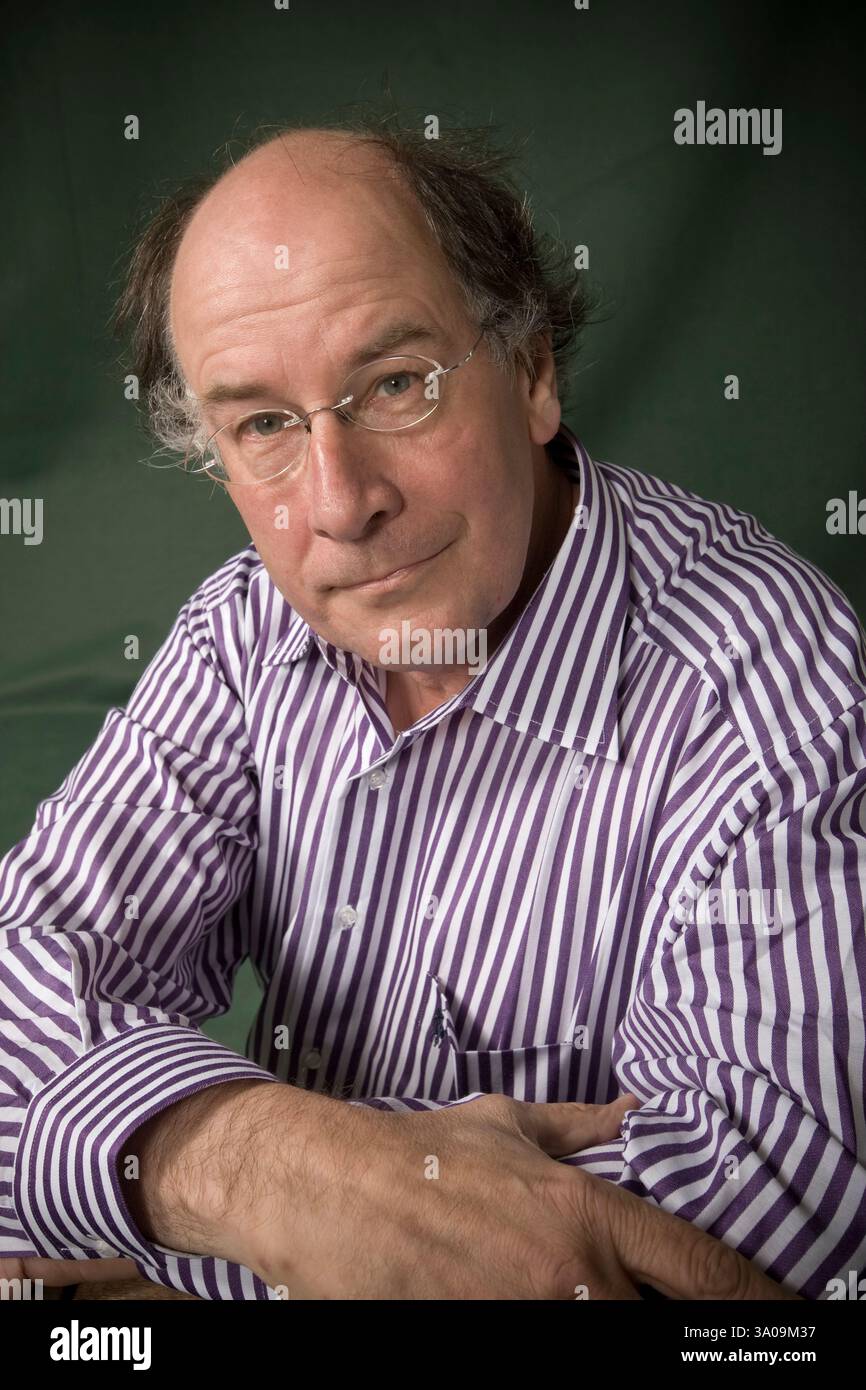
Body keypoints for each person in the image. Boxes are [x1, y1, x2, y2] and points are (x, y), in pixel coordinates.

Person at [1, 118, 864, 1301]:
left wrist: (179, 1224)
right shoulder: (244, 626)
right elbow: (20, 991)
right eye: (263, 426)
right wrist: (265, 1175)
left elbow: (760, 1225)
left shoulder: (767, 677)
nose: (341, 504)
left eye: (395, 384)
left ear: (529, 371)